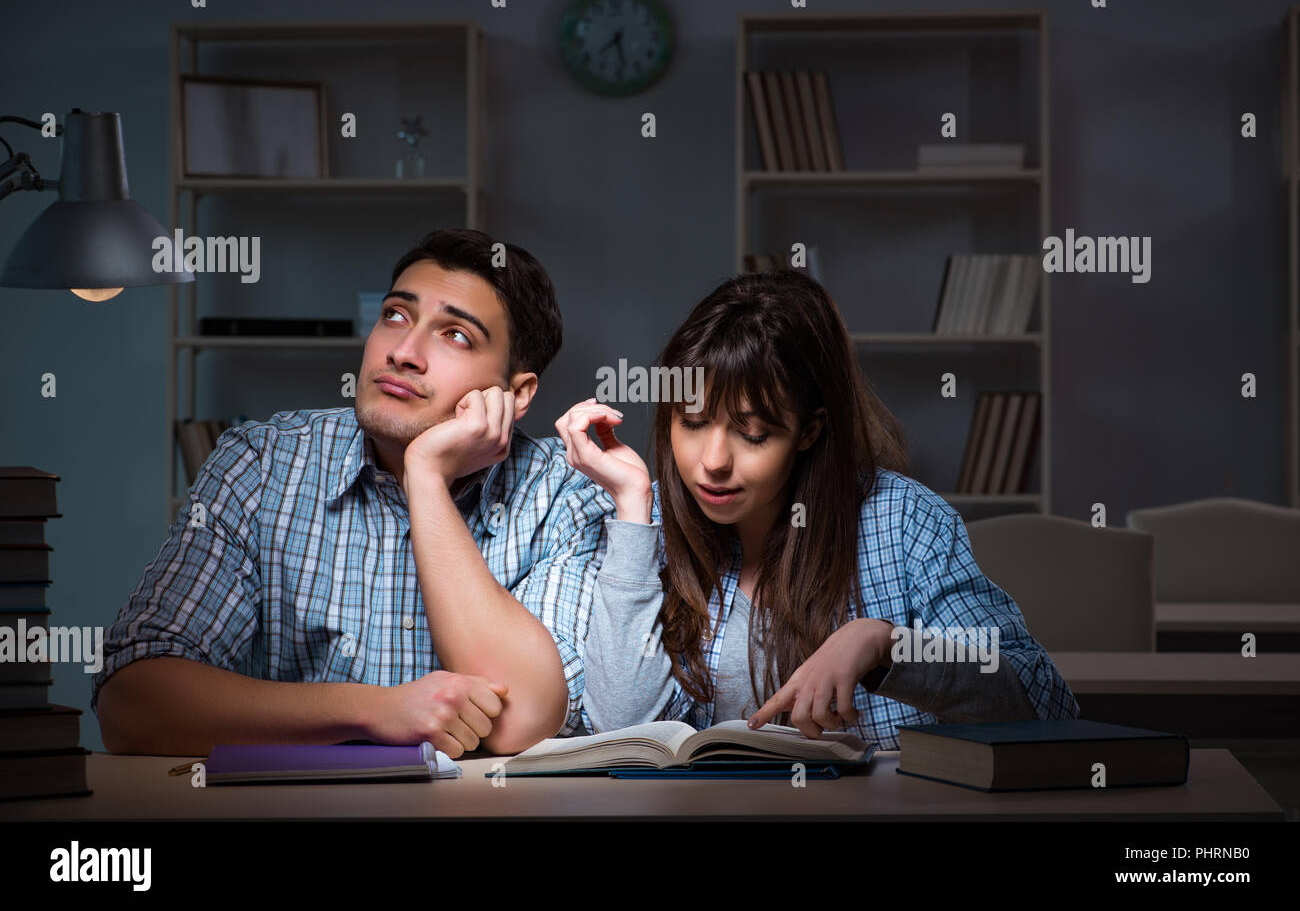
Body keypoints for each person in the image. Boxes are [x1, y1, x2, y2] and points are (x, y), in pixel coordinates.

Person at [94, 228, 614, 758]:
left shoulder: (565, 492)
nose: (405, 352)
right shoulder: (262, 463)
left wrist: (427, 479)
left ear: (517, 393)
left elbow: (523, 718)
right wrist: (372, 711)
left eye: (455, 334)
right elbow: (131, 705)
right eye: (396, 315)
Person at [556, 269, 1078, 750]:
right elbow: (628, 735)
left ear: (809, 430)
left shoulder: (903, 521)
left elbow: (1045, 709)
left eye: (753, 433)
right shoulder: (646, 538)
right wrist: (631, 506)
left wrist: (886, 645)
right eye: (691, 424)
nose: (712, 463)